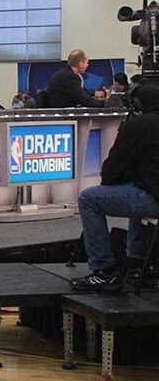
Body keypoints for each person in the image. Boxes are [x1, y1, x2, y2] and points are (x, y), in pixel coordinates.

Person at [71, 84, 159, 290]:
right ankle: (136, 266)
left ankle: (104, 271)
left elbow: (111, 173)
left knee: (88, 199)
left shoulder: (139, 126)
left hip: (153, 199)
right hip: (152, 192)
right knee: (138, 190)